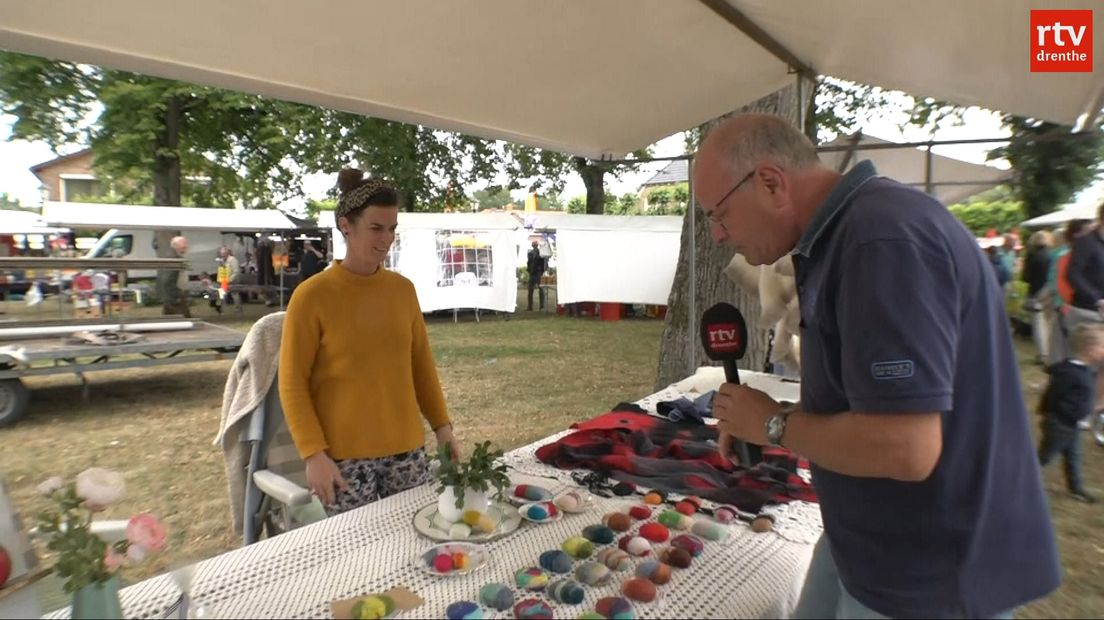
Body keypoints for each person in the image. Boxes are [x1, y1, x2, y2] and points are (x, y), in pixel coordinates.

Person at [693, 114, 1059, 619]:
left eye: (718, 213)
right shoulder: (848, 233)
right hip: (870, 545)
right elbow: (872, 400)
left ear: (771, 183)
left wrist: (774, 424)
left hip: (926, 574)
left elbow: (905, 447)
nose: (716, 234)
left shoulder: (880, 241)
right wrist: (778, 412)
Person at [279, 168, 460, 516]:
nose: (386, 239)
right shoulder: (311, 296)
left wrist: (443, 427)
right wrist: (313, 453)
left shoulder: (402, 290)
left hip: (407, 449)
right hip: (343, 459)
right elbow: (292, 384)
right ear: (346, 225)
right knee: (354, 557)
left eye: (392, 228)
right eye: (376, 228)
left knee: (413, 544)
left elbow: (421, 367)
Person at [1038, 323, 1104, 503]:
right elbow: (1053, 395)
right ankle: (1025, 479)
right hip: (1060, 424)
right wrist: (1053, 416)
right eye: (1102, 346)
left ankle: (1077, 488)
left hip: (1072, 425)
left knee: (1073, 457)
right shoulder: (1068, 373)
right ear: (1090, 350)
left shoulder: (1085, 371)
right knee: (1046, 455)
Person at [1022, 230, 1054, 363]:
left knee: (1038, 325)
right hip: (1051, 291)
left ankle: (1043, 354)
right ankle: (1051, 352)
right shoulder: (1053, 255)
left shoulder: (1031, 255)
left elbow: (1025, 277)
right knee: (1050, 324)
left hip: (1036, 292)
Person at [159, 235, 191, 317]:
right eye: (184, 244)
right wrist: (177, 294)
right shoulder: (173, 258)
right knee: (184, 320)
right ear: (175, 245)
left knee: (168, 320)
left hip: (172, 295)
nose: (186, 246)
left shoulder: (175, 256)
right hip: (174, 296)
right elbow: (168, 280)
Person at [526, 240, 546, 311]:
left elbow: (543, 262)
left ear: (537, 245)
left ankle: (542, 306)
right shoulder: (530, 253)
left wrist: (541, 271)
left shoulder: (540, 253)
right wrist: (528, 270)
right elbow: (528, 263)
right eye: (533, 244)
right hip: (532, 273)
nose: (534, 245)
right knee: (530, 291)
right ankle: (529, 306)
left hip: (538, 273)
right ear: (532, 245)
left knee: (541, 290)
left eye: (535, 244)